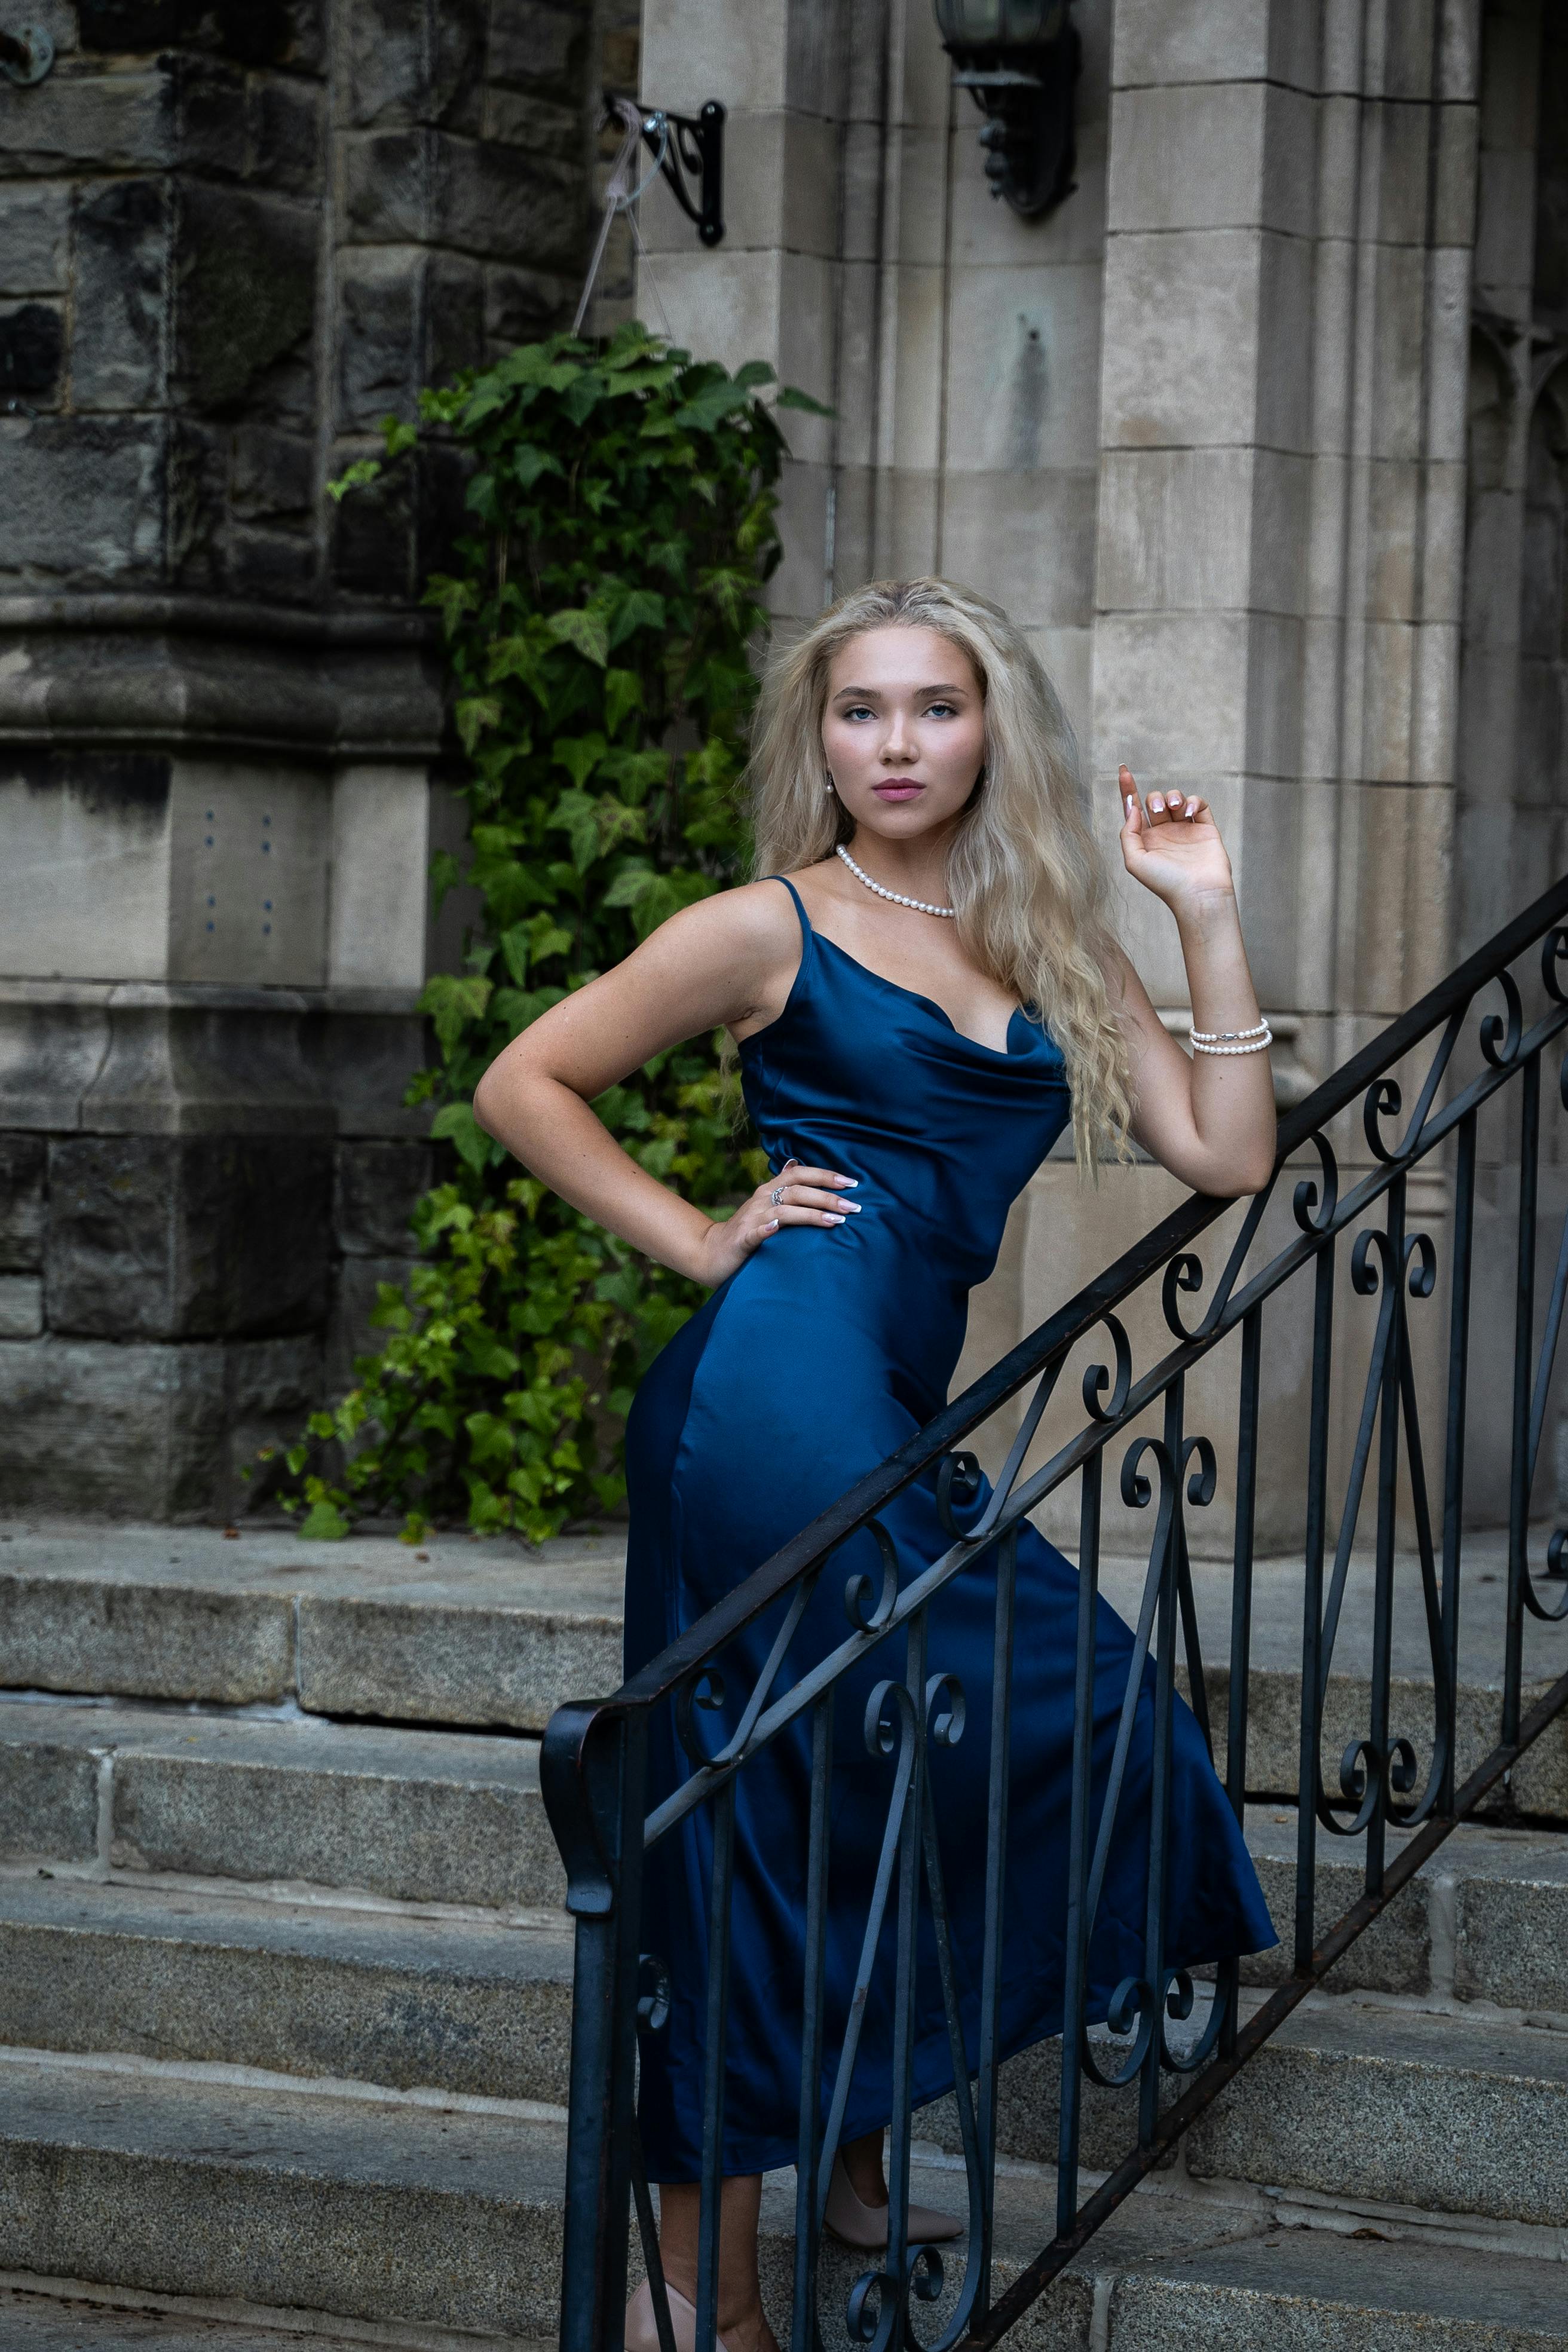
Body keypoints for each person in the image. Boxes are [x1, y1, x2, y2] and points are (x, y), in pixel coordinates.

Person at [474, 577, 1278, 2352]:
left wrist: (1204, 912)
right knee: (769, 1816)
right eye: (860, 712)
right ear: (816, 739)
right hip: (771, 1397)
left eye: (933, 708)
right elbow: (527, 1083)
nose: (896, 745)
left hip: (882, 1404)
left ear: (993, 729)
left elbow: (1224, 1153)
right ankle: (700, 2300)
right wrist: (697, 1239)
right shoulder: (765, 926)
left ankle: (840, 2158)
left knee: (876, 1781)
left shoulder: (1049, 932)